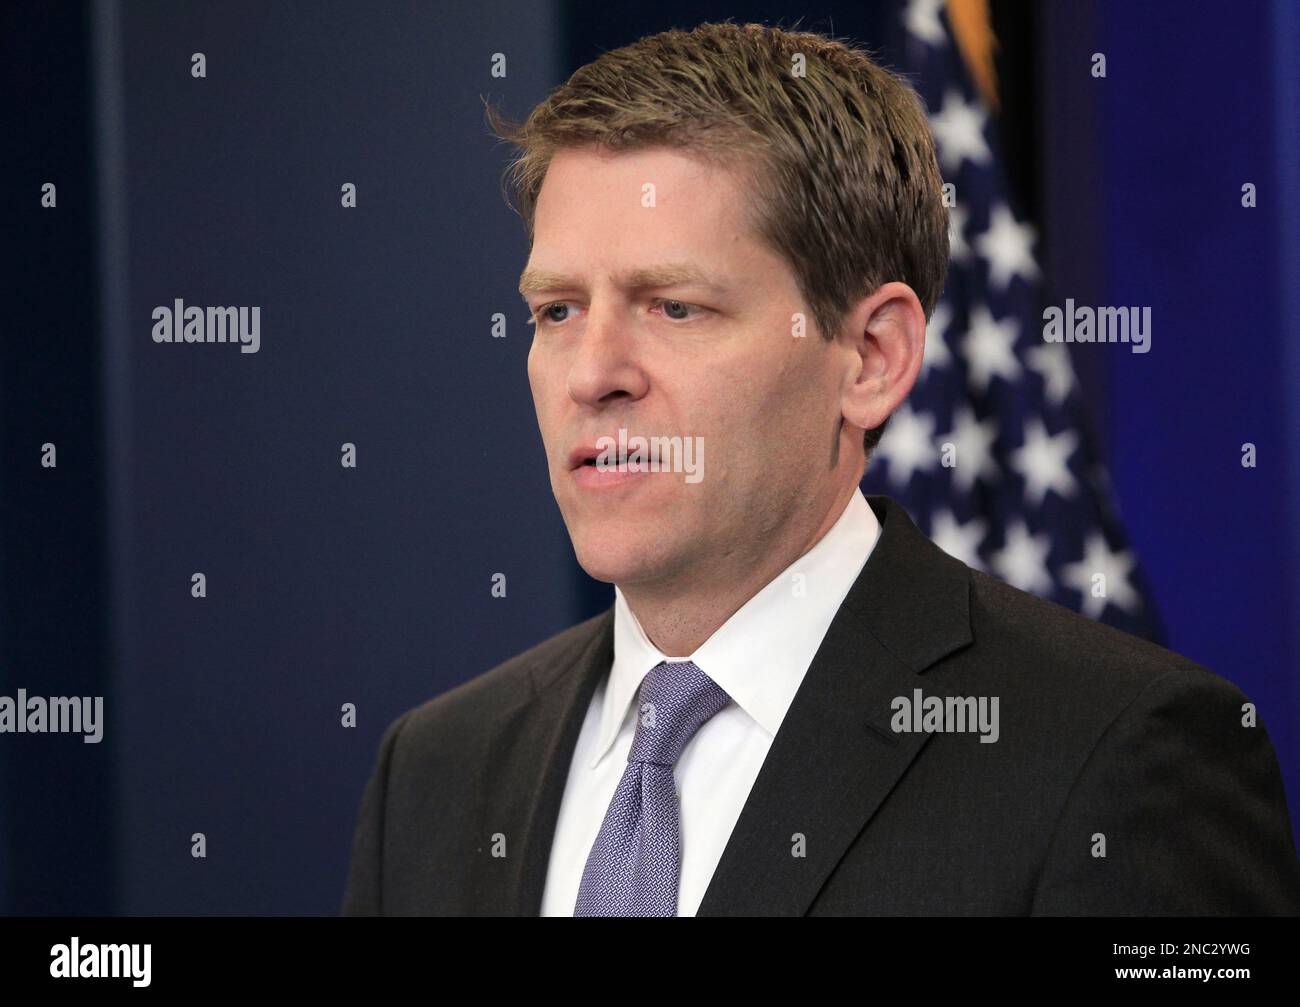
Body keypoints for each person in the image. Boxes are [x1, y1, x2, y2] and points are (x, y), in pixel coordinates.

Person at [341, 21, 1300, 915]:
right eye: (556, 310)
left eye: (674, 306)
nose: (591, 374)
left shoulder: (1116, 755)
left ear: (873, 356)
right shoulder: (435, 770)